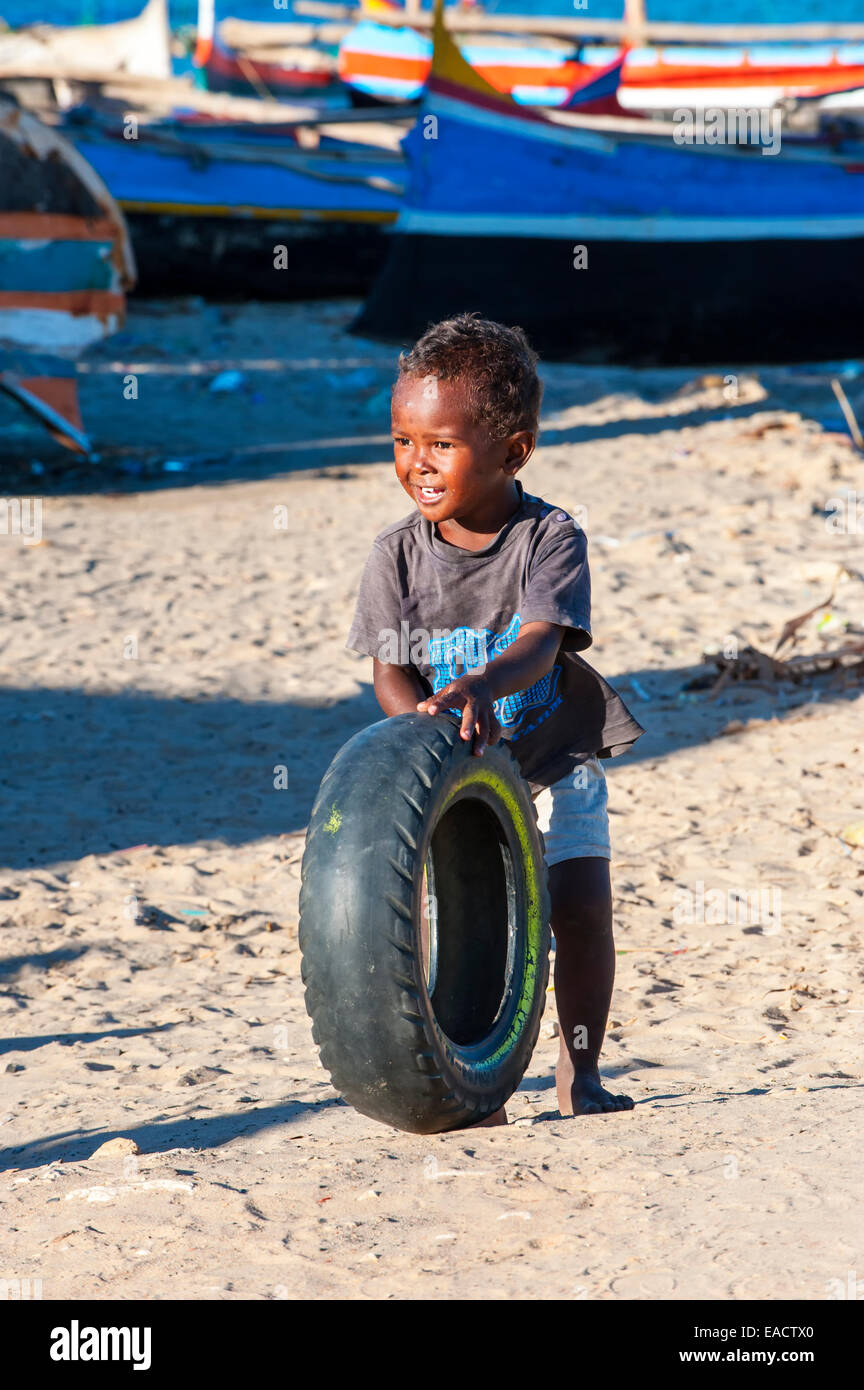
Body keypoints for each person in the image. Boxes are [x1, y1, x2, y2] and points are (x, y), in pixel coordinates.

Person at [347, 314, 644, 1120]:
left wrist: (479, 683)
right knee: (474, 923)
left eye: (440, 444)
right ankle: (476, 1072)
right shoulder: (396, 555)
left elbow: (543, 644)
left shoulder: (549, 538)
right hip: (455, 776)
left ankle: (579, 1074)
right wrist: (426, 743)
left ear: (513, 450)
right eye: (404, 440)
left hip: (551, 758)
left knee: (578, 913)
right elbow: (389, 668)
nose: (417, 463)